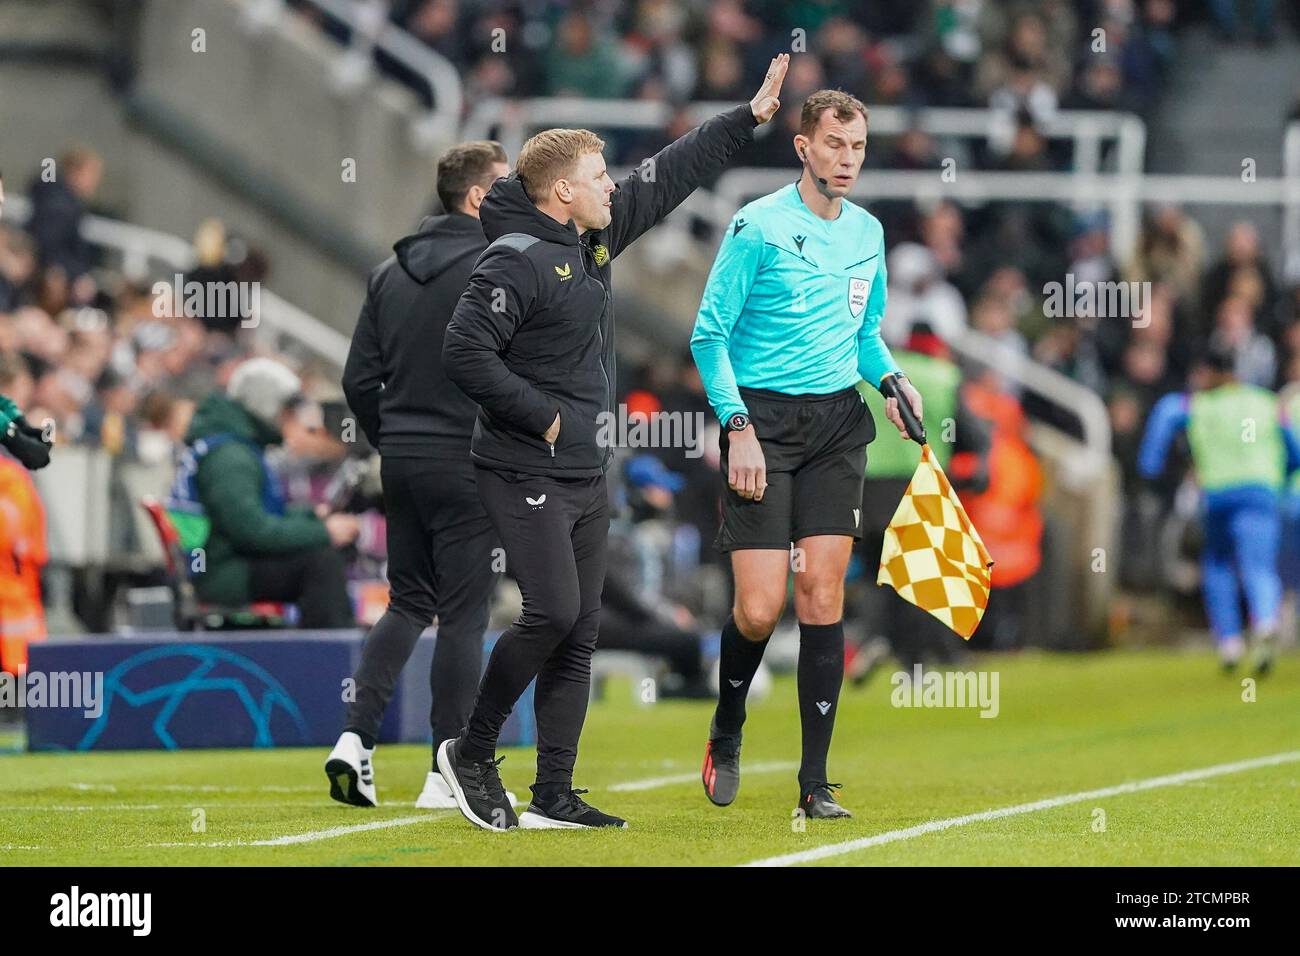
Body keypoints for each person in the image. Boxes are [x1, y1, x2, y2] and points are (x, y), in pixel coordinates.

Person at [439, 53, 790, 831]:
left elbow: (670, 175)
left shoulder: (591, 238)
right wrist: (544, 416)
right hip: (522, 463)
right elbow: (463, 353)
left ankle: (552, 793)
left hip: (583, 470)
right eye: (598, 176)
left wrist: (749, 117)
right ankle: (471, 750)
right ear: (563, 190)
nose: (611, 186)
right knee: (554, 612)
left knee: (581, 631)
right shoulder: (514, 257)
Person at [688, 88, 924, 819]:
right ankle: (727, 729)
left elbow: (864, 333)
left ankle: (814, 784)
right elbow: (708, 334)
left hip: (834, 429)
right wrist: (736, 426)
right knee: (759, 610)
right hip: (760, 422)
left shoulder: (869, 233)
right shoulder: (757, 226)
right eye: (833, 145)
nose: (846, 159)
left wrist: (889, 377)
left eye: (856, 147)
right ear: (803, 147)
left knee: (822, 595)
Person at [325, 141, 512, 810]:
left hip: (401, 458)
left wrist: (395, 435)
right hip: (467, 459)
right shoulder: (497, 266)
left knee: (407, 602)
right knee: (464, 614)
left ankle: (355, 737)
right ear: (477, 198)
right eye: (506, 185)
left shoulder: (388, 272)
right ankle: (447, 769)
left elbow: (356, 380)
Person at [1138, 346, 1299, 673]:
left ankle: (1229, 642)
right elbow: (1294, 450)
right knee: (1260, 566)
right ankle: (1265, 621)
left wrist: (1150, 467)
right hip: (1261, 492)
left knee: (1218, 563)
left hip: (1217, 494)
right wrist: (1282, 475)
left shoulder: (1197, 404)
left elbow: (1165, 415)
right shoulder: (1268, 403)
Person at [169, 357, 360, 627]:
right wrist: (324, 531)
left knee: (319, 553)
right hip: (221, 576)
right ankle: (331, 658)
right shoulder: (231, 457)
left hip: (220, 563)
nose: (292, 420)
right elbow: (253, 532)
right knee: (321, 561)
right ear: (267, 407)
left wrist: (310, 516)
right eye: (287, 410)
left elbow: (252, 518)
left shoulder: (231, 445)